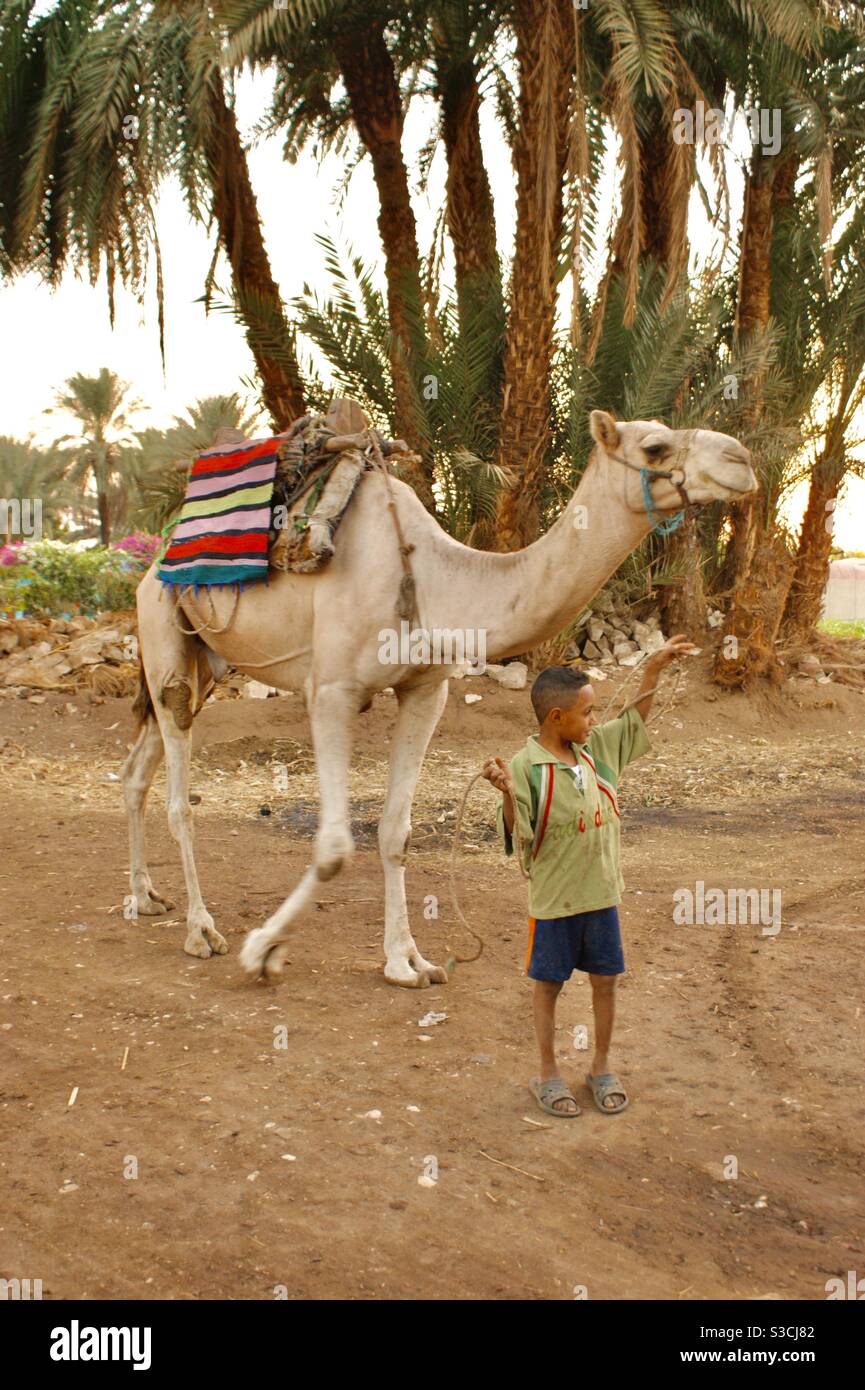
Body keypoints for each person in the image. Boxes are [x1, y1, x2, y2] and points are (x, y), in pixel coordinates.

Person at [482, 635, 696, 1117]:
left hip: (601, 894)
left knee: (606, 980)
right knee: (549, 986)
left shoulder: (595, 750)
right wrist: (506, 795)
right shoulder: (526, 767)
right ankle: (548, 1074)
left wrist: (653, 672)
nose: (596, 720)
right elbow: (521, 841)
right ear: (557, 718)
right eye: (589, 712)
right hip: (556, 901)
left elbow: (634, 720)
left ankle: (600, 1066)